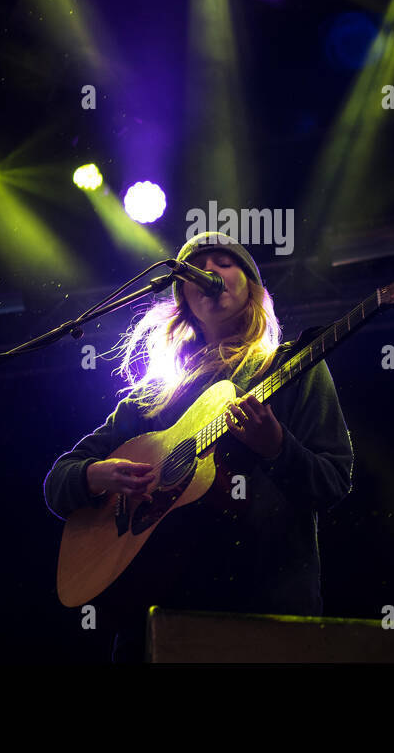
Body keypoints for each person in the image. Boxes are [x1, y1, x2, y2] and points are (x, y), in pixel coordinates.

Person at [43, 231, 354, 662]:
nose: (210, 271)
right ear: (183, 296)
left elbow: (333, 483)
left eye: (225, 262)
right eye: (197, 267)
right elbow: (58, 482)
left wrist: (277, 447)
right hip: (153, 627)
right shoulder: (150, 401)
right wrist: (96, 475)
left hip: (264, 621)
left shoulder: (291, 368)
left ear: (252, 286)